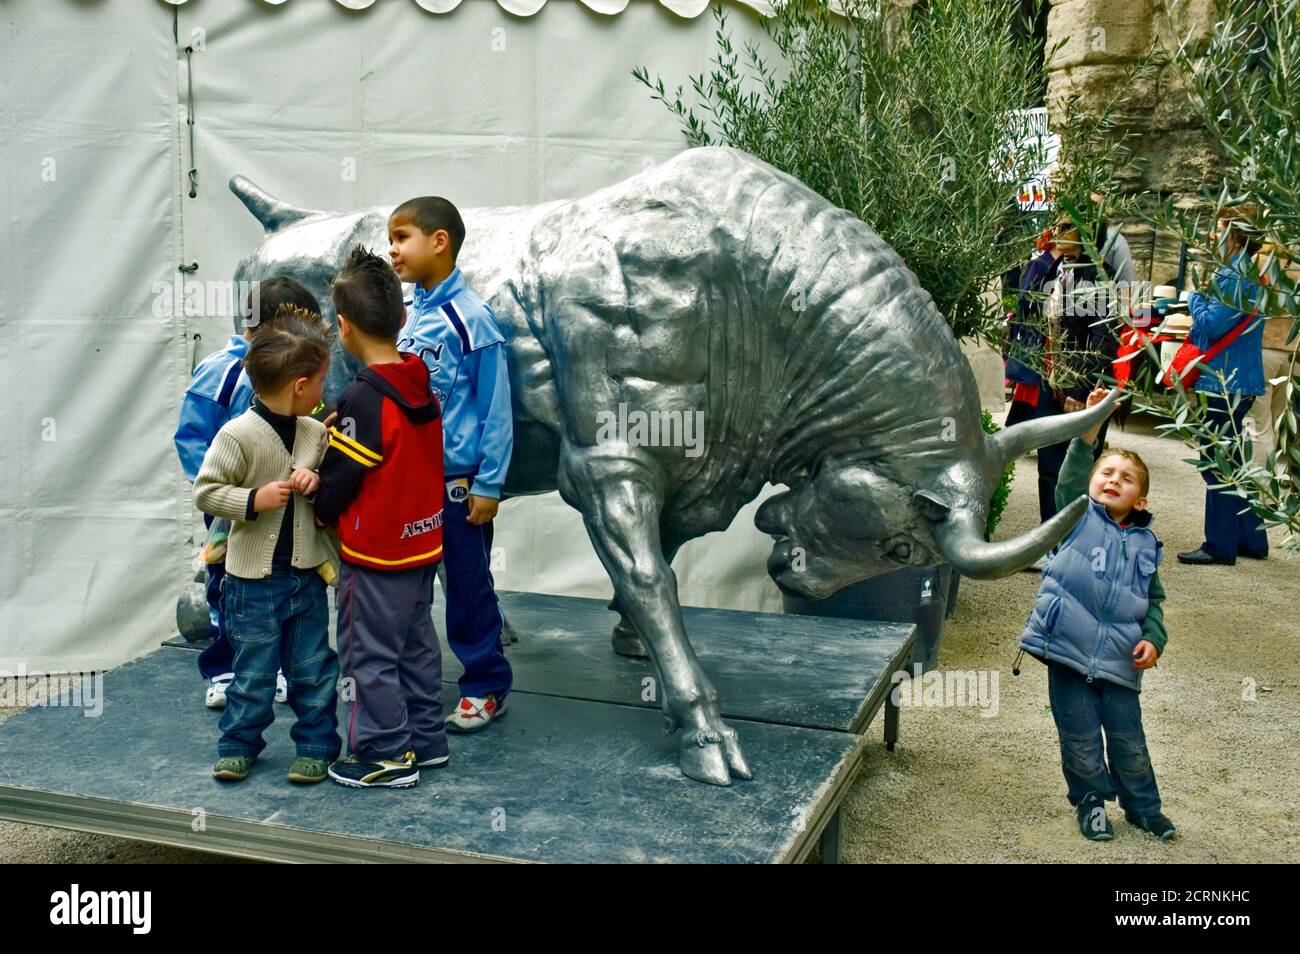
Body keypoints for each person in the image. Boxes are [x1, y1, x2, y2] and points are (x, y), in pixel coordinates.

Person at [308, 247, 449, 789]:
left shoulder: (364, 398)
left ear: (342, 327)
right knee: (415, 647)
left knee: (367, 656)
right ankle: (426, 740)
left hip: (375, 555)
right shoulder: (418, 380)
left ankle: (383, 753)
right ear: (403, 318)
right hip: (421, 548)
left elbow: (342, 479)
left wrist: (319, 506)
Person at [1018, 387, 1175, 842]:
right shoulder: (1077, 515)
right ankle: (1089, 803)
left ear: (1140, 501)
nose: (1113, 479)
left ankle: (1144, 808)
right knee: (1082, 742)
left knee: (1130, 742)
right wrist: (1090, 424)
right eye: (1106, 471)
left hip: (1121, 660)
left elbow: (1155, 602)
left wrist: (1154, 639)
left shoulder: (1148, 545)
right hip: (1068, 652)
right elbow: (1071, 473)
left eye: (1126, 478)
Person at [193, 307, 341, 784]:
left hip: (304, 578)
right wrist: (252, 499)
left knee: (313, 668)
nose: (323, 392)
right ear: (300, 386)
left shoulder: (315, 433)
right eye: (320, 382)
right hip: (250, 582)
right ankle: (239, 743)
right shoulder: (237, 435)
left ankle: (316, 744)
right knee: (253, 671)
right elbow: (206, 491)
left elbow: (327, 487)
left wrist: (315, 477)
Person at [390, 196, 515, 732]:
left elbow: (496, 408)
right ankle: (410, 678)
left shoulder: (472, 319)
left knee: (466, 581)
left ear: (438, 242)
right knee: (408, 584)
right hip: (409, 481)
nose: (392, 250)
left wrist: (488, 483)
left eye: (402, 238)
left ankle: (486, 683)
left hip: (457, 486)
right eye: (390, 240)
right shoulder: (408, 313)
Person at [174, 277, 324, 709]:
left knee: (275, 587)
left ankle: (270, 666)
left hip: (282, 508)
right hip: (232, 510)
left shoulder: (293, 372)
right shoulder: (221, 371)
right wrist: (228, 496)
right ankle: (223, 670)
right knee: (227, 586)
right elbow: (192, 439)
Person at [1006, 218, 1131, 551]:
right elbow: (1022, 298)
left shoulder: (1101, 275)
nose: (1056, 232)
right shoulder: (1052, 268)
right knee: (1048, 466)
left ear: (1087, 232)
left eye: (1066, 226)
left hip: (1083, 387)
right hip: (1049, 380)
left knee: (1079, 466)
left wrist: (1079, 390)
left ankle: (1080, 544)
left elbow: (1104, 338)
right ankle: (1052, 543)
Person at [1177, 208, 1269, 566]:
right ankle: (1251, 537)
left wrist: (1193, 299)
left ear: (1234, 234)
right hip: (1237, 378)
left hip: (1225, 380)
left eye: (1217, 229)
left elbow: (1212, 325)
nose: (1212, 236)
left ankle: (1219, 545)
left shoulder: (1234, 274)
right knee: (1228, 459)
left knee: (1216, 460)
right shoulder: (1243, 272)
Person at [1248, 239, 1299, 472]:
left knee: (1259, 423)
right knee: (1279, 419)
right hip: (1292, 352)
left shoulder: (1257, 262)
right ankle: (1277, 477)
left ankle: (1262, 484)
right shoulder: (1296, 266)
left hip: (1263, 348)